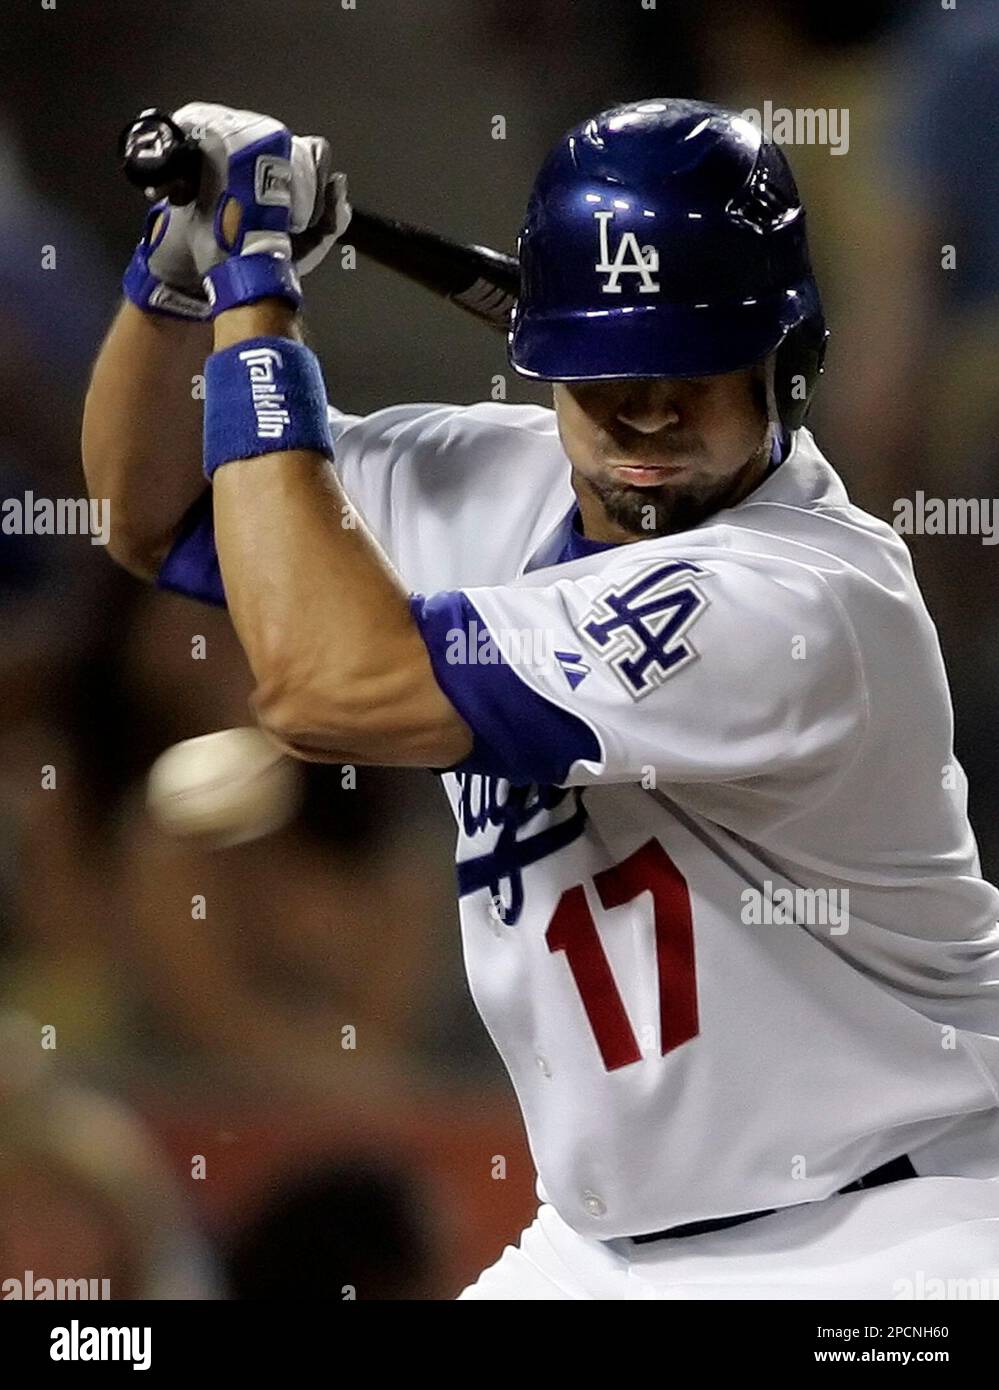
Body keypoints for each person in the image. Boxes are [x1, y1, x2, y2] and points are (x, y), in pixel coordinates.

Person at [83, 98, 999, 1300]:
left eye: (691, 363)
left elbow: (326, 686)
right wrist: (180, 269)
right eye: (606, 366)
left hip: (889, 1229)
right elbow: (149, 512)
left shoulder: (809, 601)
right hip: (602, 1245)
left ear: (787, 357)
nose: (647, 410)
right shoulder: (491, 476)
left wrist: (262, 294)